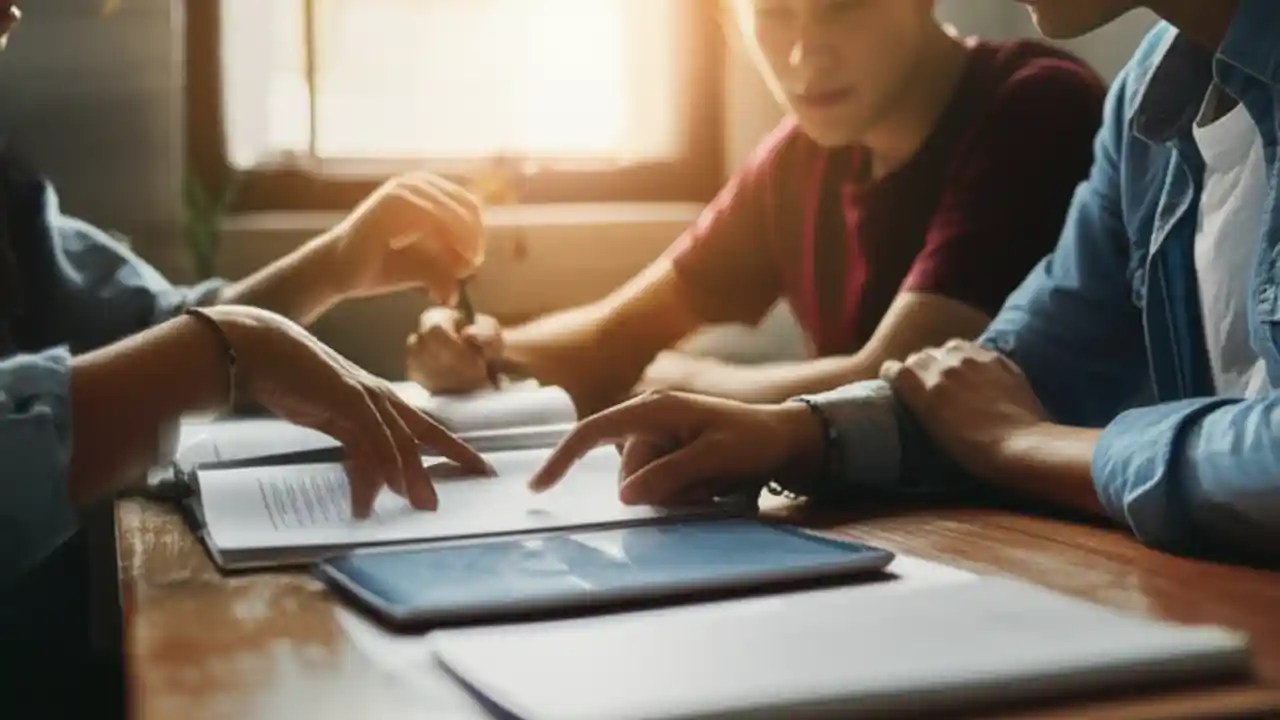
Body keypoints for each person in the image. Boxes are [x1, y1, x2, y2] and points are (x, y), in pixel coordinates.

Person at [531, 0, 1280, 565]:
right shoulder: (1150, 97)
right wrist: (800, 433)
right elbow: (1000, 376)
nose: (803, 46)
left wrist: (1024, 444)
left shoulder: (1036, 100)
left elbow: (1004, 420)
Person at [405, 0, 1105, 414]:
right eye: (772, 10)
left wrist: (696, 382)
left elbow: (902, 380)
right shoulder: (802, 158)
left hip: (1041, 537)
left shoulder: (1034, 106)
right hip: (897, 525)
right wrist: (484, 352)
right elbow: (614, 339)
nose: (804, 53)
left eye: (844, 3)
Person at [0, 3, 491, 587]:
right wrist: (231, 347)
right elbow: (172, 357)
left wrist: (332, 265)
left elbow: (140, 339)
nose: (15, 10)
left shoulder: (14, 210)